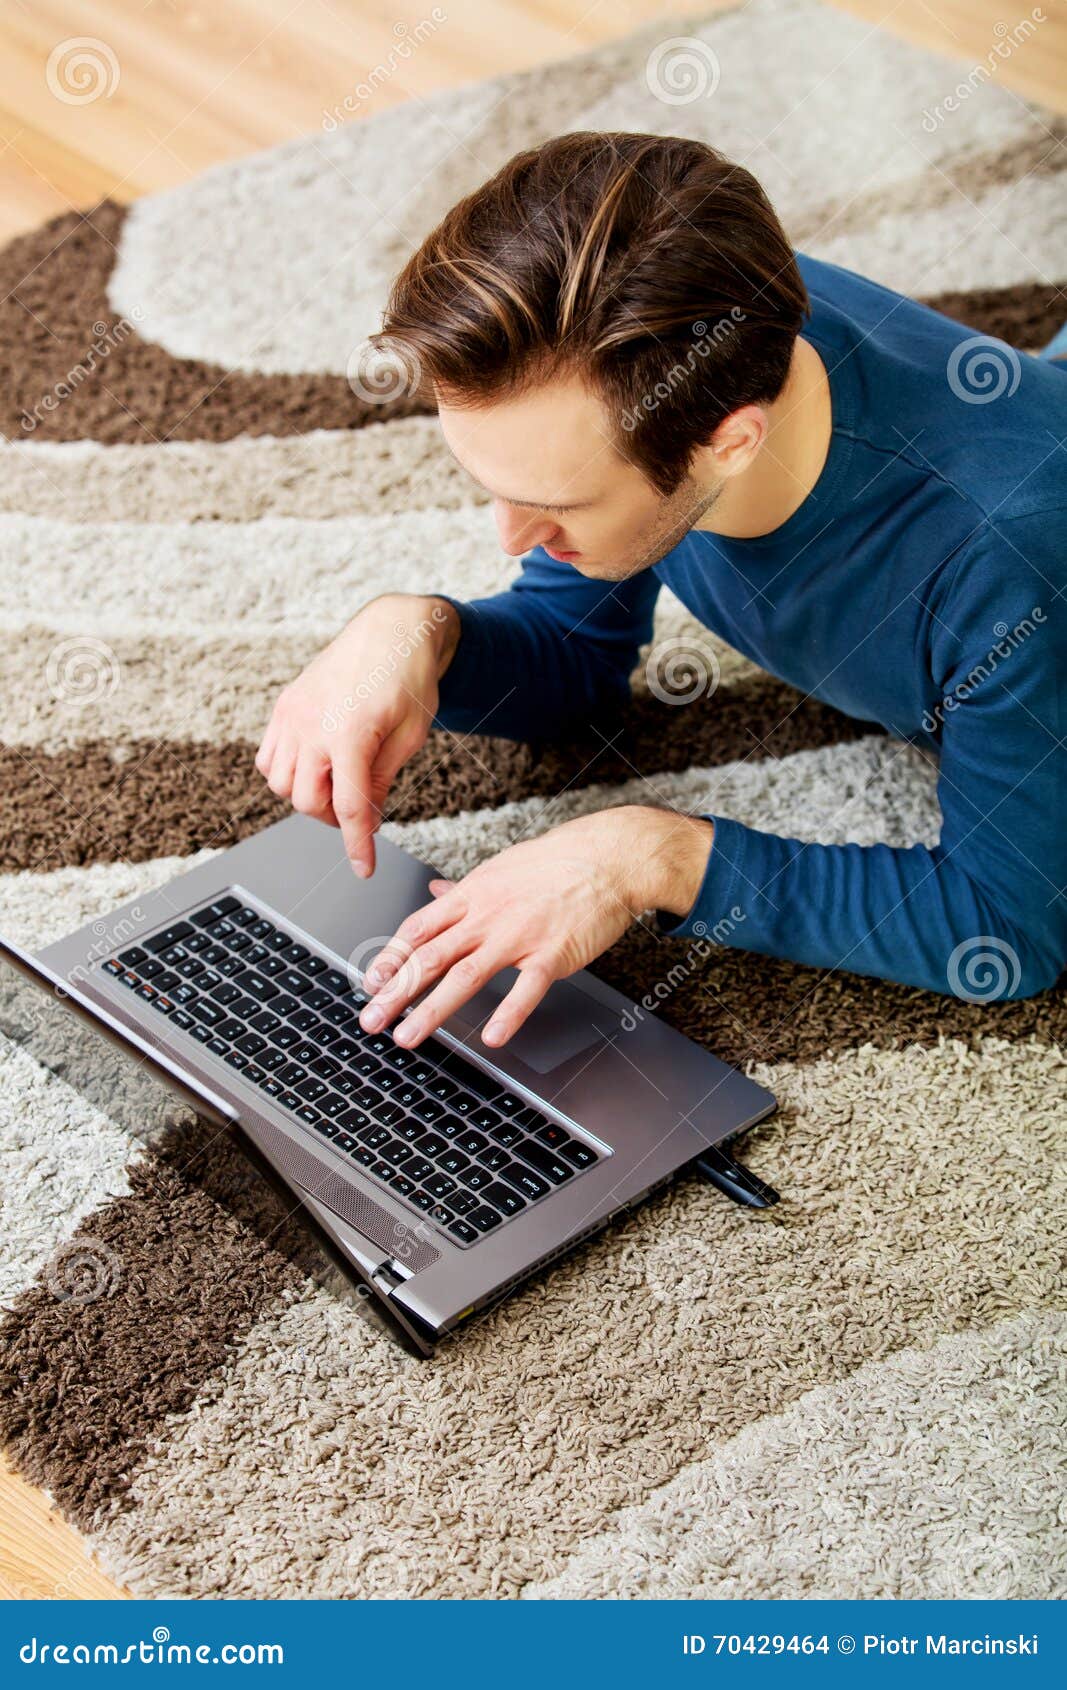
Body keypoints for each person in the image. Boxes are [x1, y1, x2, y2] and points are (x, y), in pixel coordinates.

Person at [256, 132, 1067, 1054]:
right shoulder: (694, 323)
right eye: (493, 487)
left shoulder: (1010, 561)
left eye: (554, 504)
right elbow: (573, 657)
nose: (511, 536)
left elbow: (1006, 927)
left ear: (732, 442)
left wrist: (654, 856)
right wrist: (413, 632)